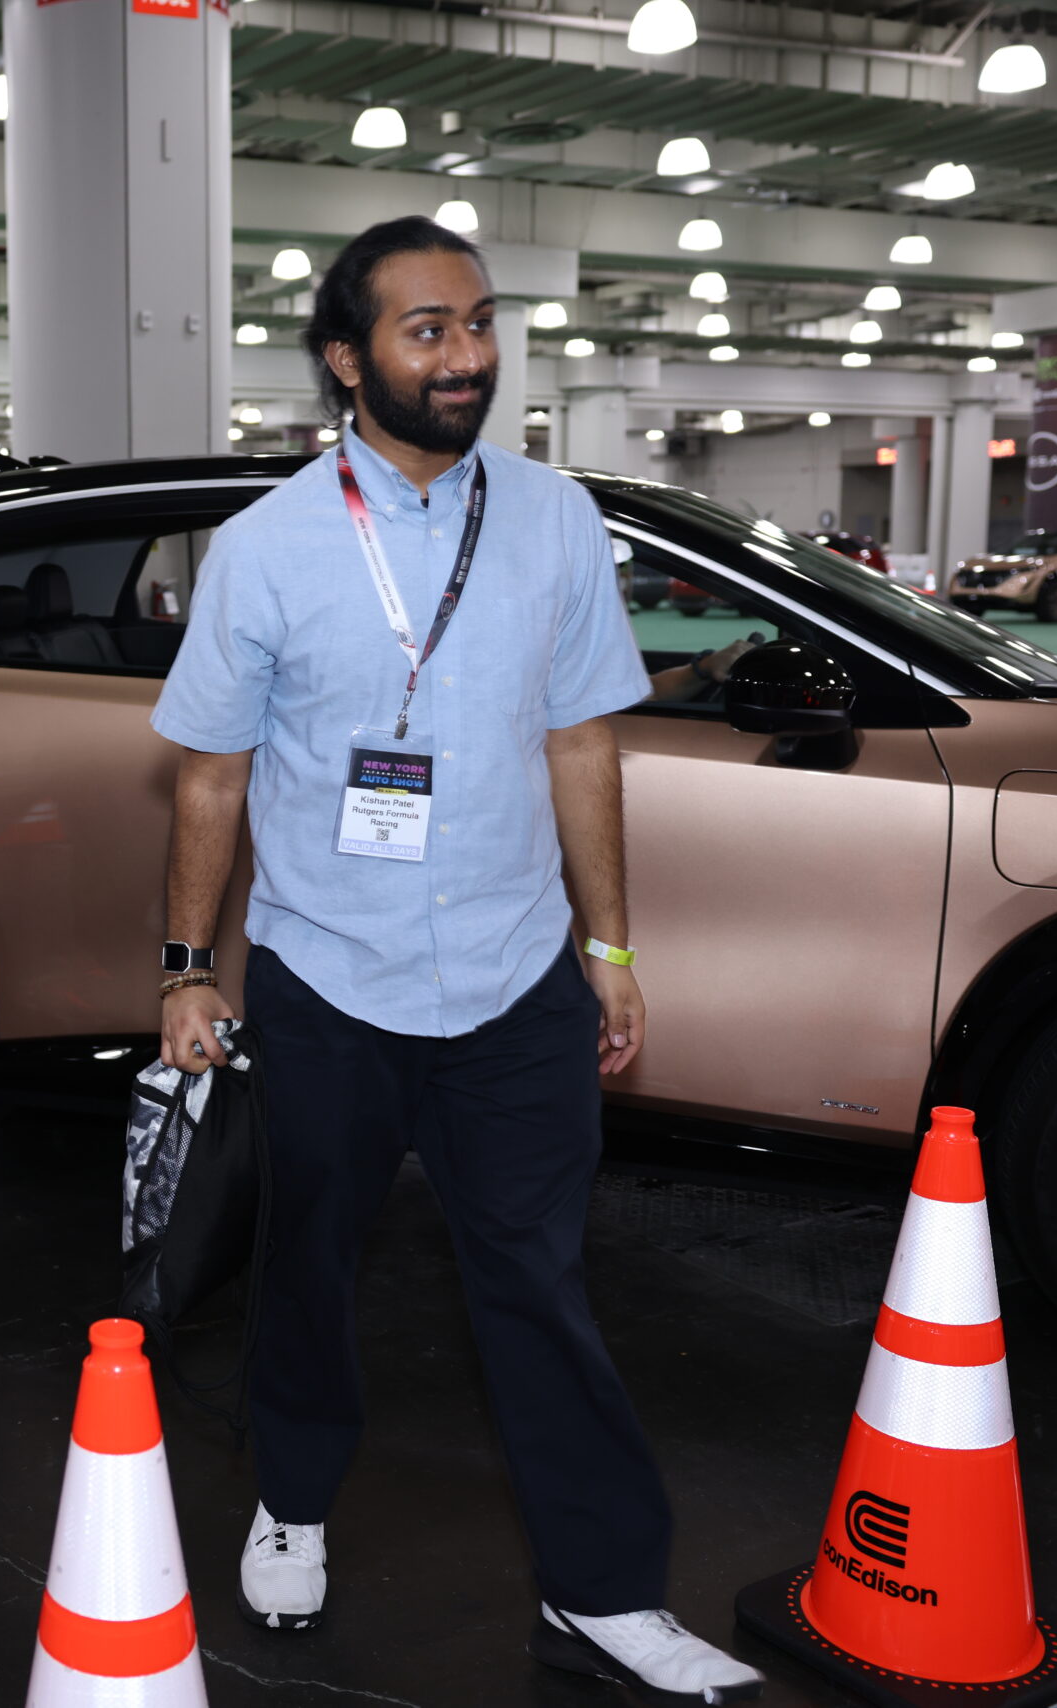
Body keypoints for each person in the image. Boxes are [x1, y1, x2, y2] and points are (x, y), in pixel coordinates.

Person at [149, 218, 762, 1705]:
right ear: (347, 359)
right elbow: (212, 777)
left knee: (540, 1284)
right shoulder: (268, 548)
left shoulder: (553, 519)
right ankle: (292, 1500)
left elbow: (582, 742)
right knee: (307, 1262)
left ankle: (603, 1592)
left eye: (480, 323)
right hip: (327, 977)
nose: (467, 355)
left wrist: (606, 944)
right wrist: (185, 968)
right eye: (428, 330)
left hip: (513, 979)